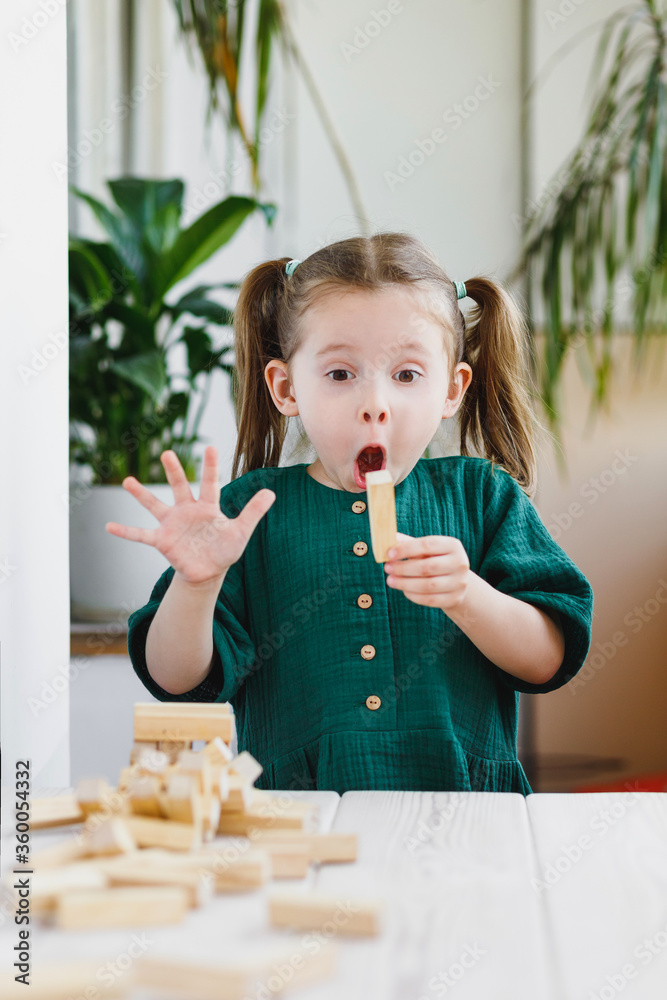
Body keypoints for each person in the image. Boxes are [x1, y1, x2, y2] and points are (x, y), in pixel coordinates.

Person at [108, 232, 594, 795]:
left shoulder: (483, 496)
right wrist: (197, 584)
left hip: (472, 823)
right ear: (286, 388)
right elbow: (174, 679)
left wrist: (468, 594)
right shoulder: (247, 515)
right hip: (301, 828)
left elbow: (548, 660)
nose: (375, 404)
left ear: (452, 390)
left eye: (407, 374)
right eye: (340, 374)